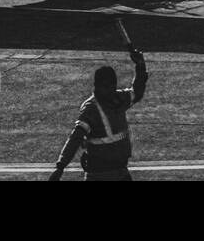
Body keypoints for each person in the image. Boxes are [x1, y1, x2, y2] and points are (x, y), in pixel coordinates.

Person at [49, 49, 148, 181]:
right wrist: (60, 166)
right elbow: (76, 137)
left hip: (121, 171)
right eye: (104, 87)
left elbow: (138, 92)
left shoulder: (118, 98)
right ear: (96, 85)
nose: (107, 90)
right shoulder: (91, 109)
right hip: (99, 175)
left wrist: (140, 66)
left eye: (111, 87)